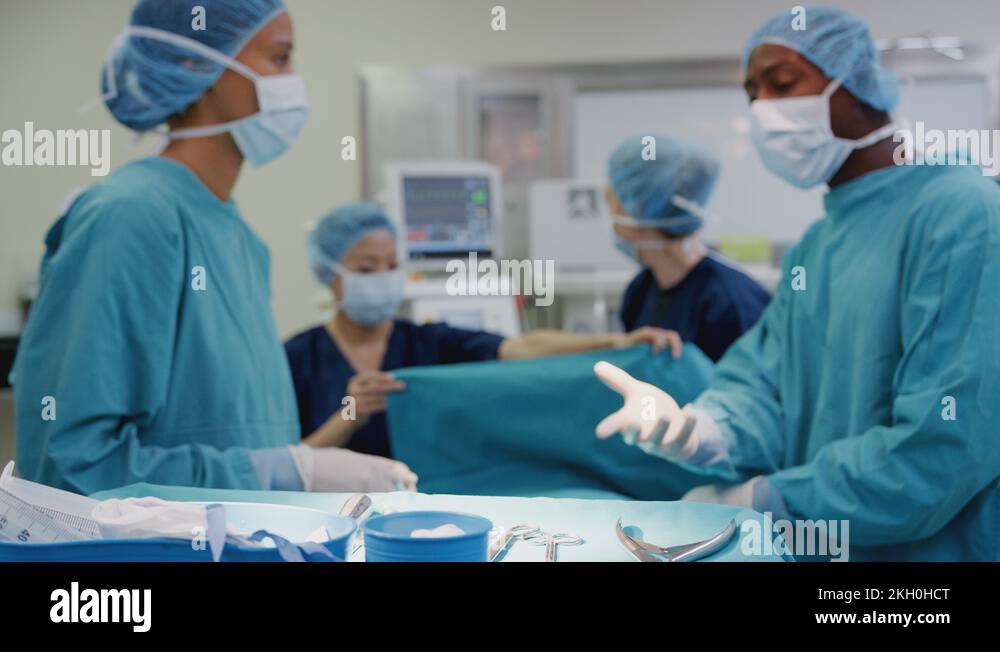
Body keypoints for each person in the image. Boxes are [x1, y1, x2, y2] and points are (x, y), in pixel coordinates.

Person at [593, 6, 1000, 561]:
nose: (763, 109)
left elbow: (942, 448)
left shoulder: (963, 214)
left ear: (858, 87)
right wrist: (702, 428)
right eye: (752, 93)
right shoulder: (818, 244)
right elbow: (766, 388)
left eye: (782, 84)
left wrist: (769, 498)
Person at [12, 0, 415, 495]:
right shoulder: (131, 216)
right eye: (280, 58)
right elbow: (73, 465)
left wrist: (292, 472)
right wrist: (285, 474)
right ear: (193, 64)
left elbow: (239, 431)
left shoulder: (242, 241)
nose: (293, 82)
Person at [285, 202, 683, 458]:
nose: (384, 278)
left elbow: (521, 347)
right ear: (328, 273)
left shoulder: (428, 342)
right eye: (367, 269)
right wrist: (349, 416)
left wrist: (614, 340)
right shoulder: (296, 358)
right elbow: (288, 466)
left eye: (392, 265)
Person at [607, 135, 770, 361]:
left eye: (612, 201)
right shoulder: (640, 290)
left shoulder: (733, 303)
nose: (610, 215)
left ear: (640, 212)